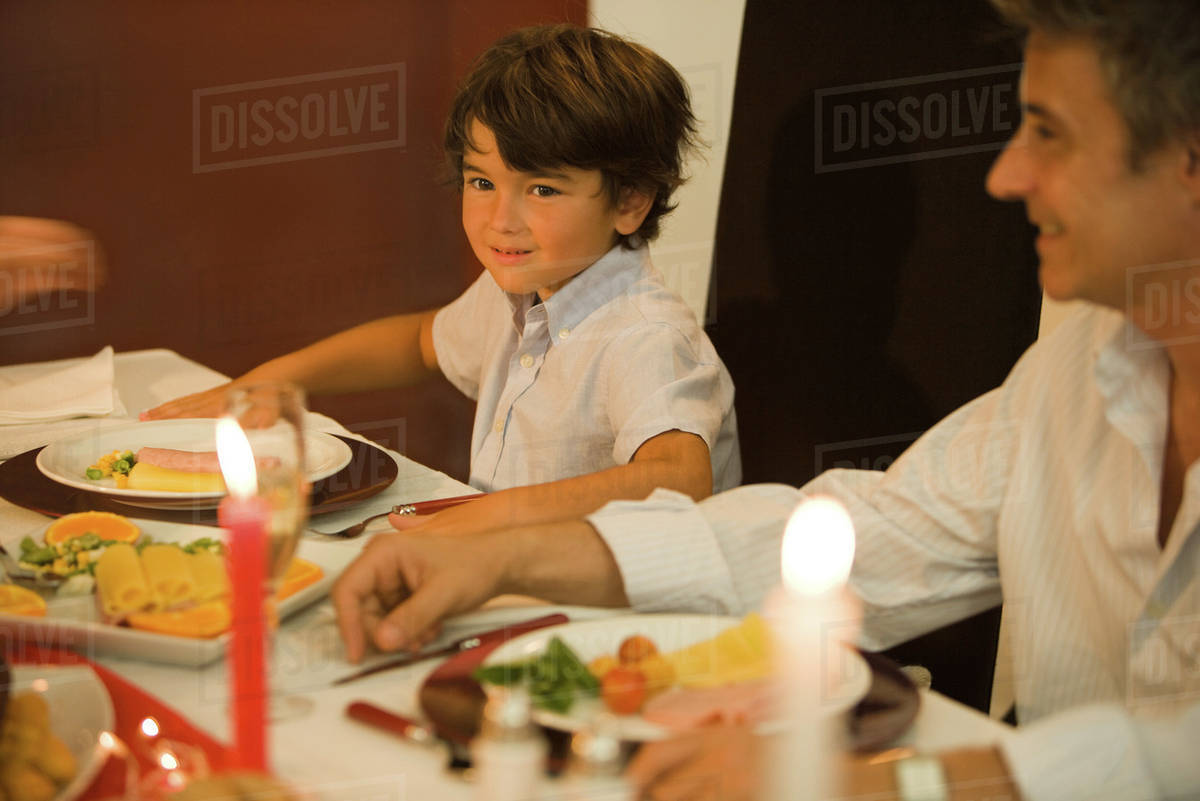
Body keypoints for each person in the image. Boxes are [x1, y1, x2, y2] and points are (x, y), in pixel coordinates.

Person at [331, 0, 1200, 798]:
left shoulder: (646, 330)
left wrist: (886, 784)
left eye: (1052, 135)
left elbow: (1171, 755)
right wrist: (501, 556)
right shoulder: (1079, 369)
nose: (1006, 176)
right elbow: (868, 533)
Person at [144, 25, 740, 537]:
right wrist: (266, 382)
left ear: (630, 201)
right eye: (481, 182)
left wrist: (487, 518)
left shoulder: (643, 333)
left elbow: (679, 478)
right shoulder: (523, 286)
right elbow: (418, 343)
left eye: (543, 189)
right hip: (502, 566)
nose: (500, 220)